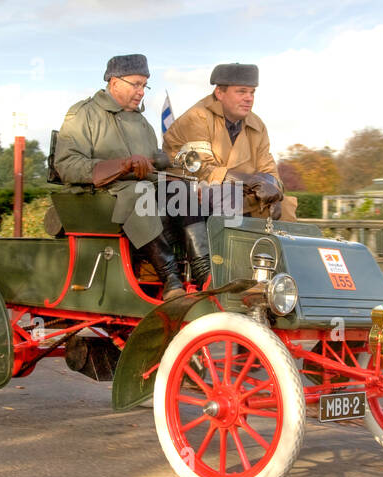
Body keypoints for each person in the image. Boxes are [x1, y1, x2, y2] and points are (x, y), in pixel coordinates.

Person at [54, 54, 185, 299]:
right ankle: (170, 278)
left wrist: (168, 174)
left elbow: (152, 171)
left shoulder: (143, 124)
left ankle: (201, 270)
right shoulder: (84, 114)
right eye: (136, 84)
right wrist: (123, 165)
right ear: (114, 83)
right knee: (141, 194)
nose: (142, 91)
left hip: (130, 197)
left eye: (145, 85)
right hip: (92, 198)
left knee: (181, 192)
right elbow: (67, 166)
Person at [163, 62, 297, 285]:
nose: (249, 98)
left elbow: (269, 169)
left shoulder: (257, 125)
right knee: (227, 198)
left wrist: (274, 190)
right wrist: (253, 181)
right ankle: (216, 279)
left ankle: (281, 281)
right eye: (241, 91)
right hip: (187, 191)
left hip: (236, 193)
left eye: (252, 92)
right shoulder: (197, 117)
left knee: (286, 208)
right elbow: (202, 169)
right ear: (220, 92)